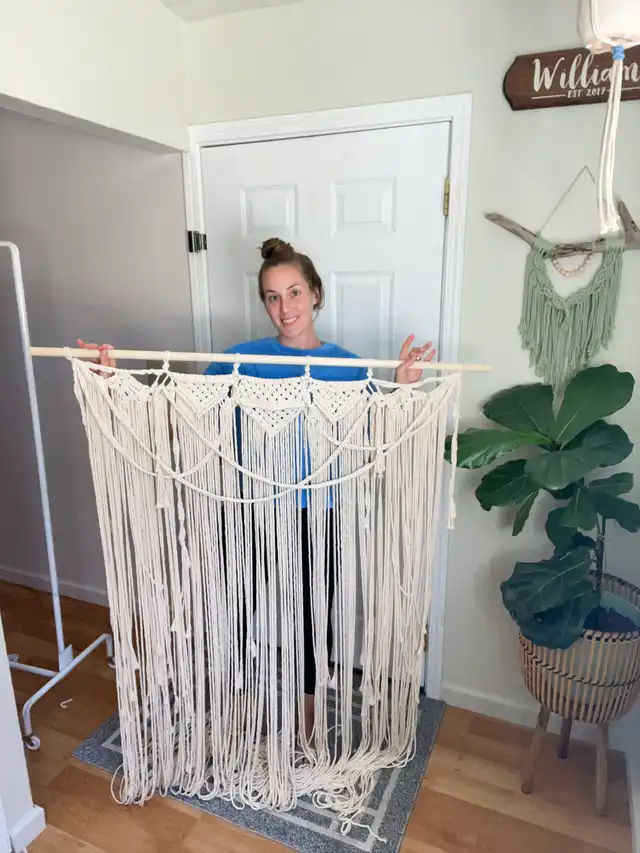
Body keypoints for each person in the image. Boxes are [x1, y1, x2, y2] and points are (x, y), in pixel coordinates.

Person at [78, 236, 435, 742]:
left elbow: (381, 432)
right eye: (272, 297)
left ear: (315, 294)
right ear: (264, 303)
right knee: (239, 611)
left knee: (313, 617)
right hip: (247, 508)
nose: (285, 308)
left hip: (317, 512)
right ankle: (242, 707)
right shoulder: (239, 359)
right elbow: (182, 416)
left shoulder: (349, 367)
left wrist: (403, 382)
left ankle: (307, 716)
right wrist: (114, 383)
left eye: (294, 293)